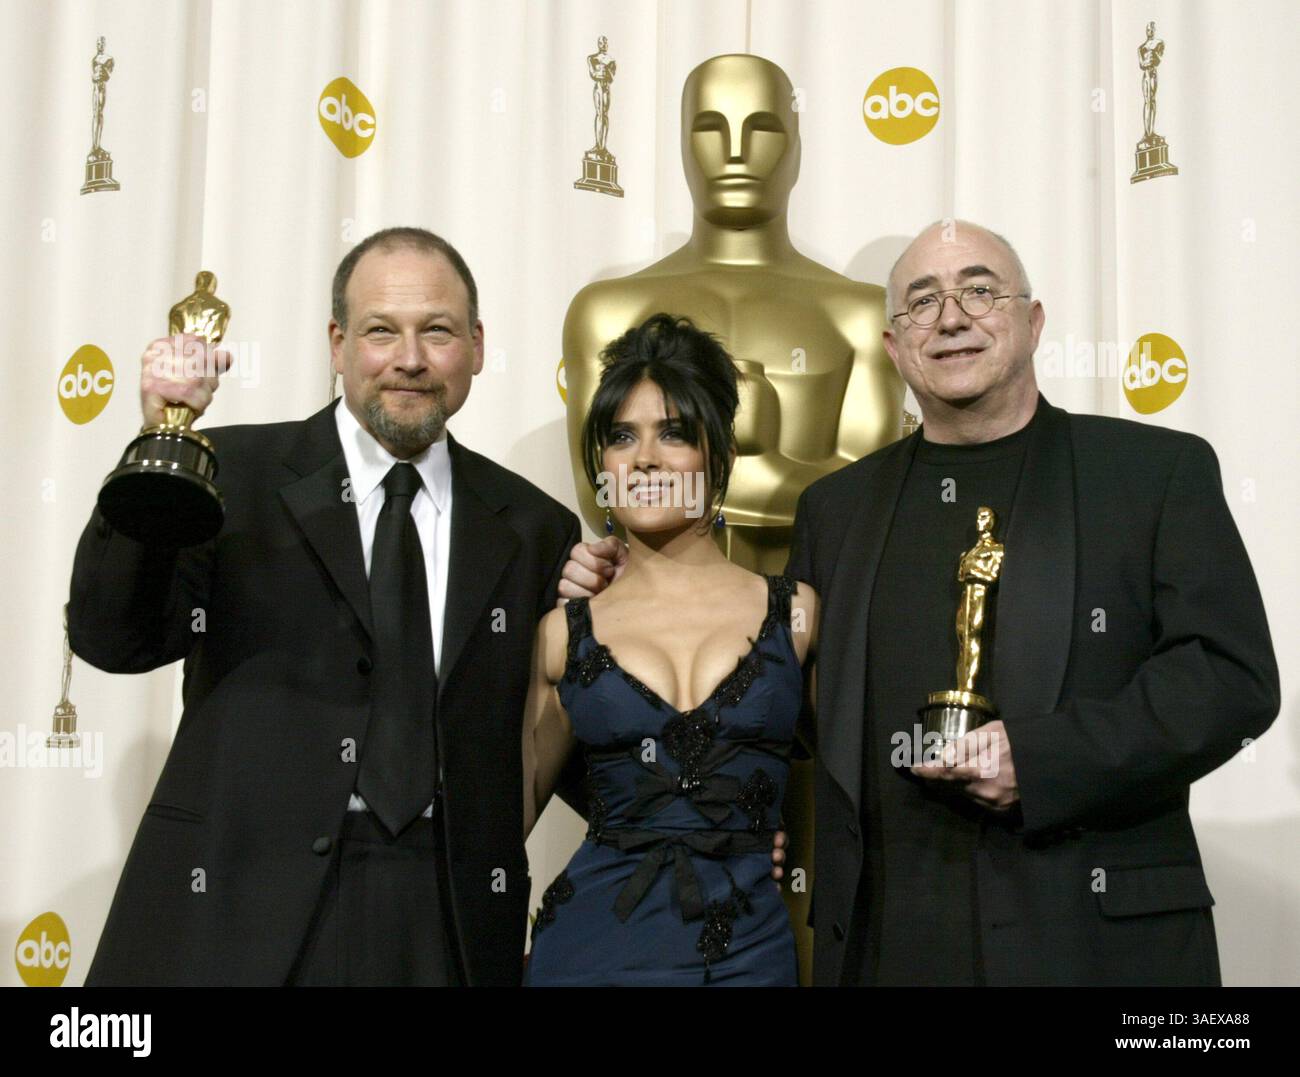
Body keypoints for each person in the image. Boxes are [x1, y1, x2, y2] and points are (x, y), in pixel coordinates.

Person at [565, 220, 1280, 986]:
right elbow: (776, 710)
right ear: (894, 346)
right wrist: (629, 603)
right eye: (922, 301)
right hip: (886, 944)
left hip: (1094, 942)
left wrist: (1040, 759)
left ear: (1033, 322)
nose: (951, 316)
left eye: (979, 289)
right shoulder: (836, 511)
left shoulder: (1151, 474)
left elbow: (1231, 678)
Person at [68, 227, 581, 986]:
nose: (409, 357)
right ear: (338, 344)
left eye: (436, 330)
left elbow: (577, 728)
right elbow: (115, 637)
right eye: (381, 330)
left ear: (476, 345)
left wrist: (719, 823)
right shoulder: (231, 473)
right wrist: (157, 449)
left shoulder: (535, 527)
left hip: (446, 921)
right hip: (239, 904)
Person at [524, 314, 818, 985]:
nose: (645, 457)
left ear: (718, 454)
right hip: (593, 951)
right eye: (622, 436)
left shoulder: (797, 613)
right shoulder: (561, 632)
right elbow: (490, 822)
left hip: (751, 958)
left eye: (674, 433)